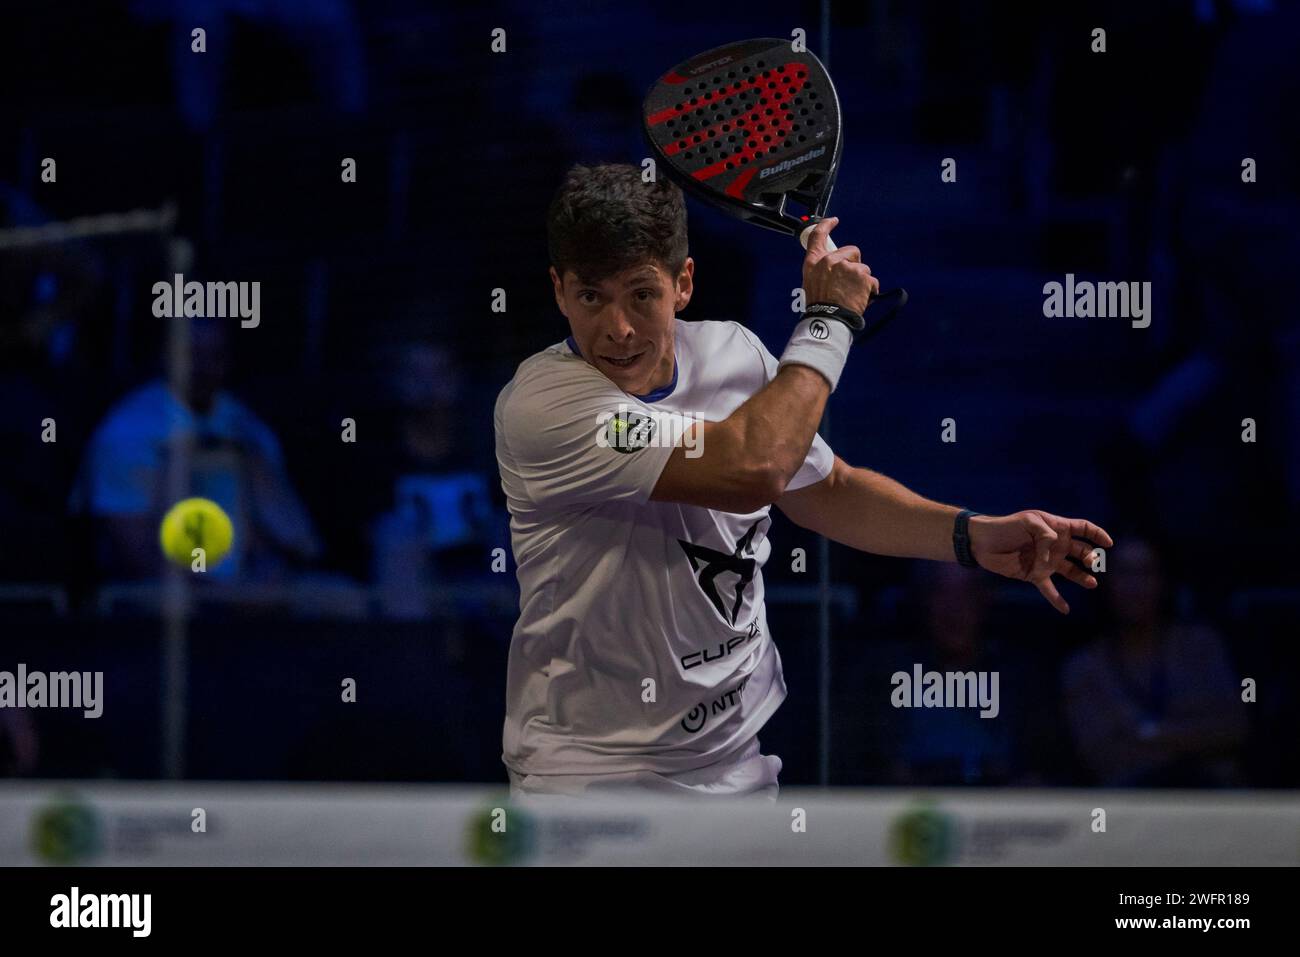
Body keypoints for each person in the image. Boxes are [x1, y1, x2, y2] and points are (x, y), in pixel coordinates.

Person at [493, 163, 1111, 798]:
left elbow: (829, 491)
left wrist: (971, 535)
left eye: (640, 294)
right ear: (559, 291)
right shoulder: (544, 407)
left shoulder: (734, 353)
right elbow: (752, 468)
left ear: (683, 284)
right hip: (585, 777)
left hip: (735, 761)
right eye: (591, 296)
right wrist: (828, 322)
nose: (617, 327)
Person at [71, 315, 320, 582]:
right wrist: (215, 596)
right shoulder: (126, 432)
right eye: (192, 355)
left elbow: (289, 538)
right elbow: (133, 554)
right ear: (167, 356)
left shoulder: (247, 427)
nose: (203, 368)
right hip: (150, 597)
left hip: (250, 591)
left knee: (342, 598)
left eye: (215, 356)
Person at [1062, 538, 1246, 786]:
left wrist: (1146, 733)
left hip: (1211, 800)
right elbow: (1101, 756)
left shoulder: (1202, 647)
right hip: (1127, 805)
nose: (1135, 586)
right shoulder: (1083, 668)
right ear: (1104, 582)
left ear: (1164, 581)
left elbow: (1233, 728)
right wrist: (1190, 737)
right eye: (1124, 573)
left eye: (1146, 572)